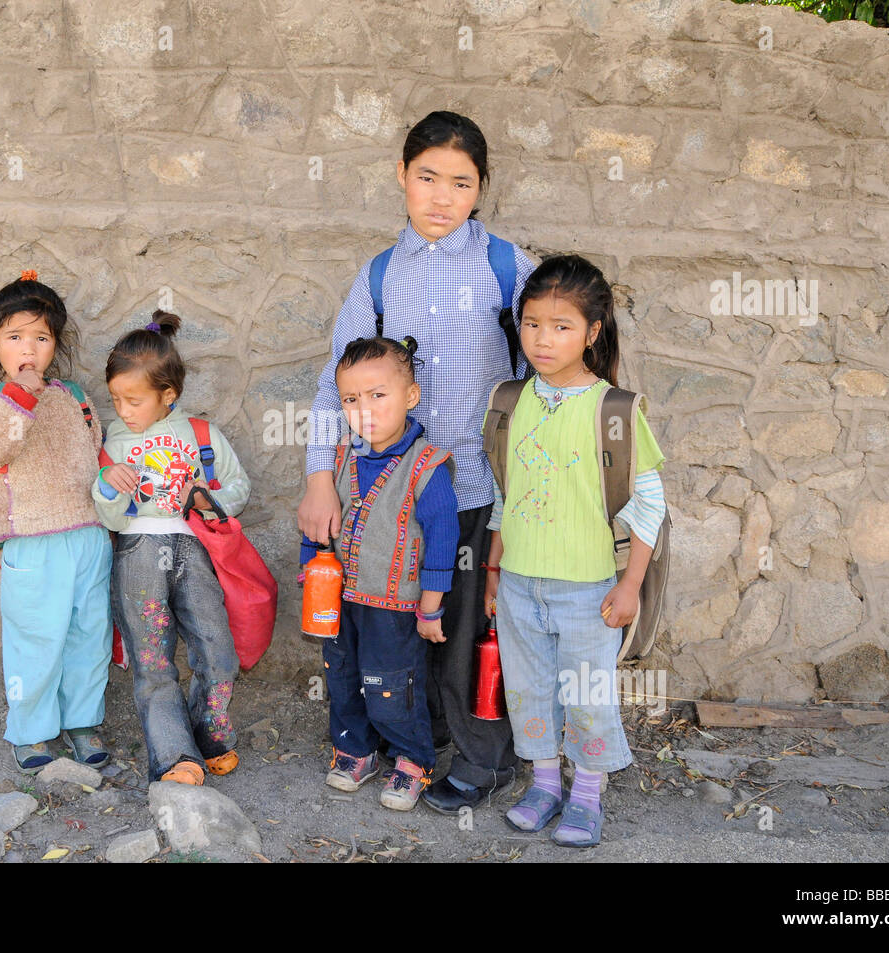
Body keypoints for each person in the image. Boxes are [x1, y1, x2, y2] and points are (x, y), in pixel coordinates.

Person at [298, 110, 538, 814]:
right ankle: (413, 744)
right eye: (427, 177)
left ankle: (483, 758)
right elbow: (329, 384)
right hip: (387, 494)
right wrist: (321, 477)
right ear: (401, 176)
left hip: (472, 487)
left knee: (465, 624)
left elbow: (542, 372)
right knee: (401, 623)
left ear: (481, 189)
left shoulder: (507, 269)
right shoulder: (376, 278)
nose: (441, 196)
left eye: (460, 183)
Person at [485, 254, 667, 846]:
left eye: (562, 326)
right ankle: (543, 785)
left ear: (592, 332)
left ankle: (586, 795)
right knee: (529, 689)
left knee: (587, 694)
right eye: (532, 323)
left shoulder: (615, 411)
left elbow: (648, 505)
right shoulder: (510, 401)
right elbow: (501, 494)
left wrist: (630, 586)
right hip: (517, 583)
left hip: (590, 588)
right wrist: (492, 572)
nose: (543, 339)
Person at [300, 336, 459, 811]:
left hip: (394, 608)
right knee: (342, 676)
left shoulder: (428, 466)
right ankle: (355, 750)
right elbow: (318, 525)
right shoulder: (339, 459)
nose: (363, 409)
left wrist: (432, 605)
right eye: (351, 399)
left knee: (391, 684)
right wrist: (310, 574)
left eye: (377, 394)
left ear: (410, 396)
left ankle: (413, 760)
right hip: (339, 601)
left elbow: (443, 540)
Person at [92, 311, 251, 786]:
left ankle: (211, 731)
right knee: (153, 660)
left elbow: (239, 487)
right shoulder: (111, 442)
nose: (123, 410)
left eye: (134, 400)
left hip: (194, 551)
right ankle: (172, 755)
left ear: (168, 395)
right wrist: (107, 484)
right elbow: (108, 515)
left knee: (218, 649)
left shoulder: (202, 436)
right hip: (138, 553)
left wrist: (206, 499)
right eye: (116, 399)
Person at [0, 270, 113, 774]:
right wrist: (21, 395)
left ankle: (82, 721)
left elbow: (93, 455)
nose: (28, 347)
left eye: (41, 337)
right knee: (35, 639)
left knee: (87, 634)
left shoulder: (75, 397)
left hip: (88, 535)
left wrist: (111, 473)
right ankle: (31, 731)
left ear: (56, 344)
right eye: (15, 336)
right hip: (30, 539)